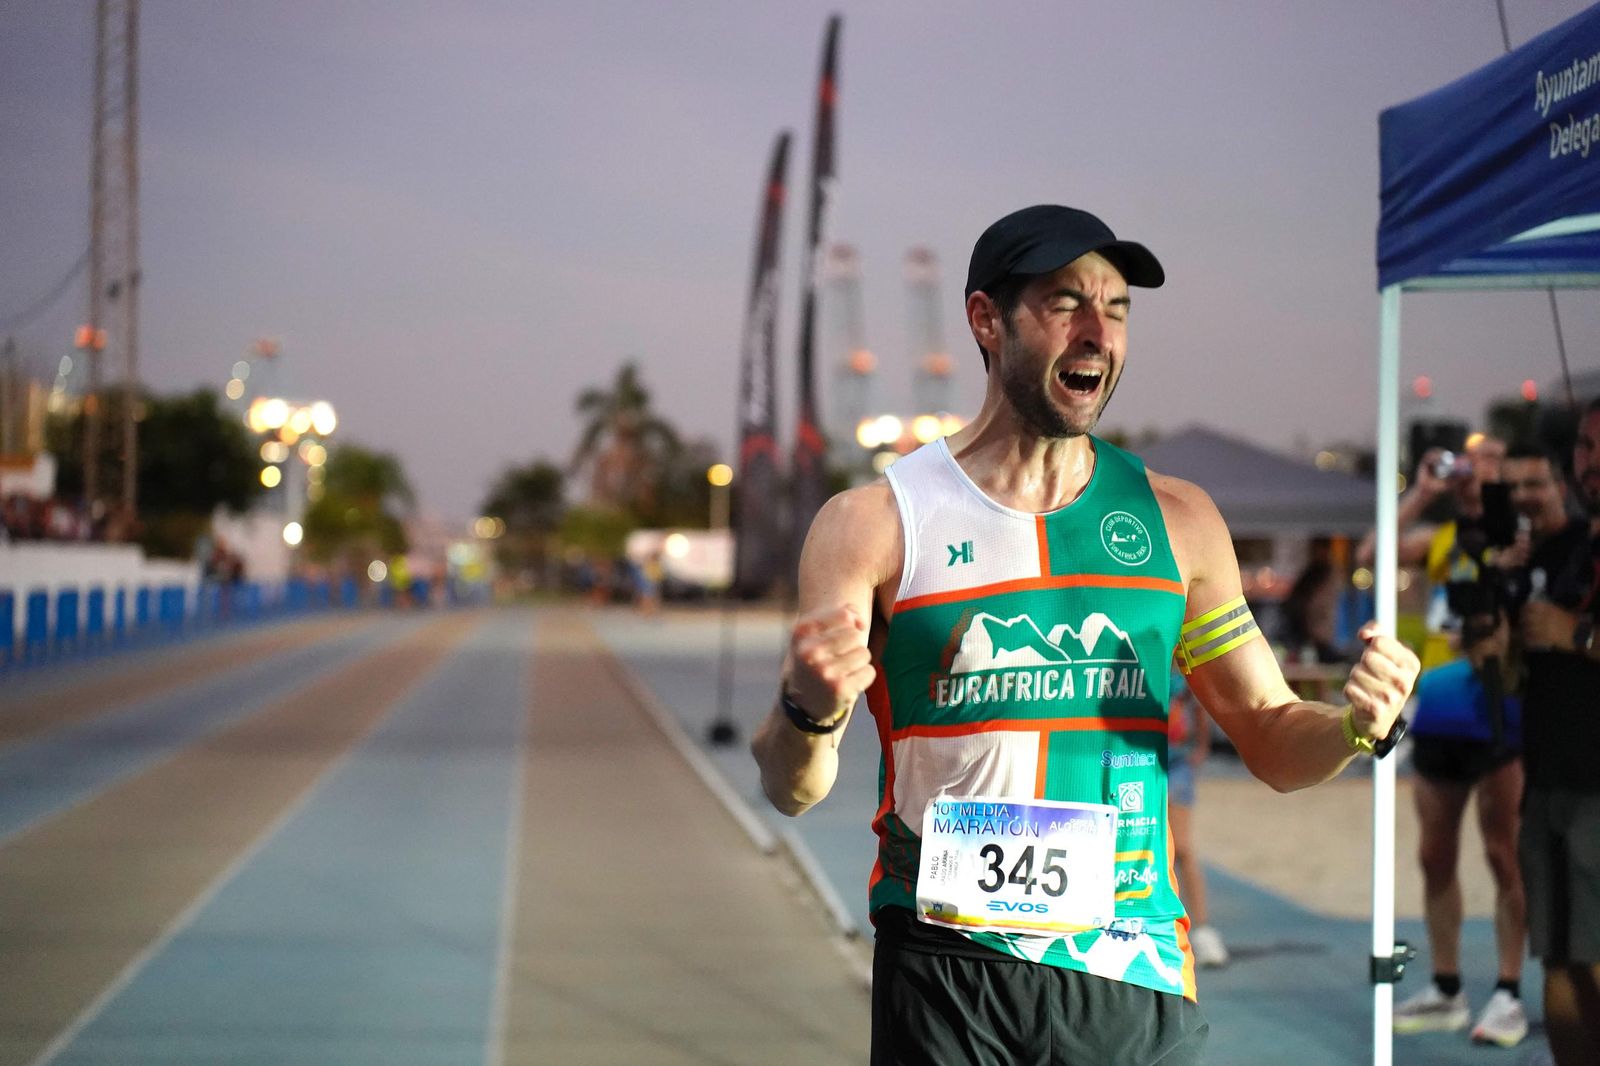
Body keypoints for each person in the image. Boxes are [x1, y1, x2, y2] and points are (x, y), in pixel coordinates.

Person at [750, 204, 1420, 1065]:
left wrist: (1356, 727)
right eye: (1066, 303)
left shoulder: (1178, 520)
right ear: (987, 320)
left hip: (1130, 968)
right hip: (948, 971)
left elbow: (1269, 735)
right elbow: (792, 788)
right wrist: (806, 708)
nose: (1098, 333)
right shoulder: (875, 523)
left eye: (1118, 307)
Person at [1518, 404, 1600, 1066]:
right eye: (1584, 446)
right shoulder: (1564, 548)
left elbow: (1567, 636)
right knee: (1558, 961)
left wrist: (1575, 635)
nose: (1591, 460)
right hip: (1547, 779)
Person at [1167, 669, 1228, 969]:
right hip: (1136, 760)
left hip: (1175, 761)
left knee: (1184, 848)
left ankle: (1202, 930)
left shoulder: (1178, 666)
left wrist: (1202, 746)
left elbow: (1199, 704)